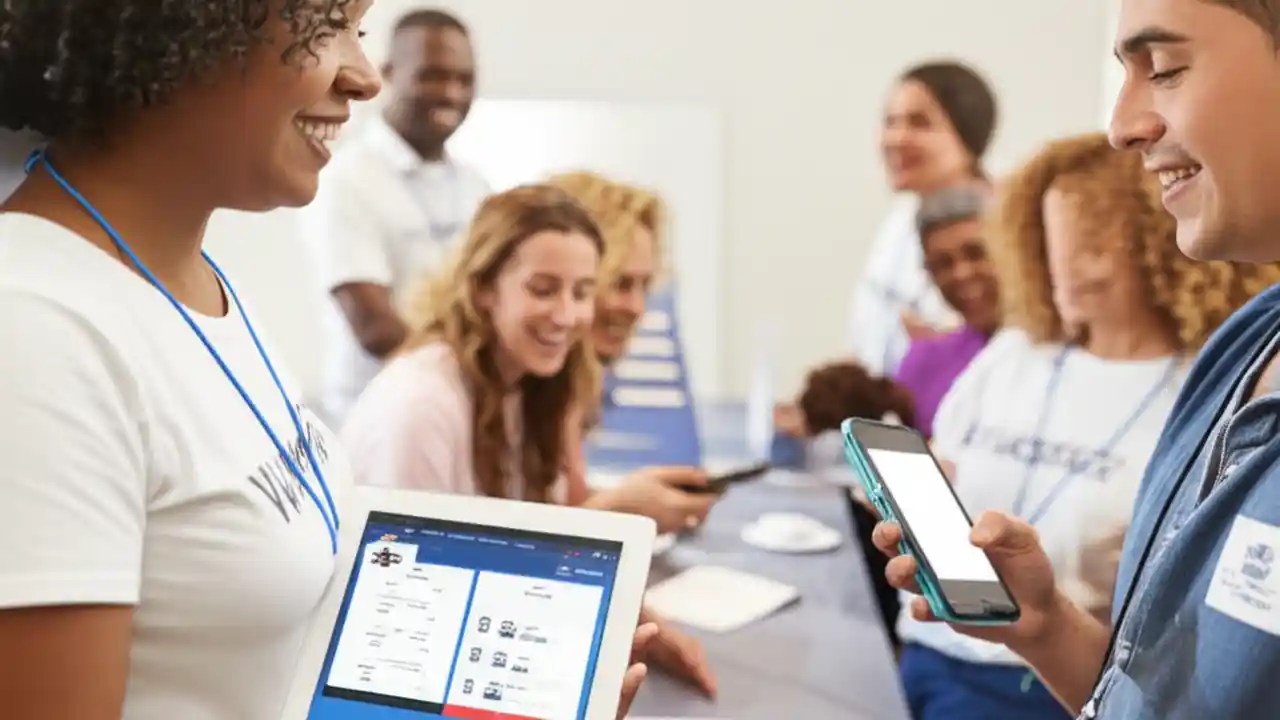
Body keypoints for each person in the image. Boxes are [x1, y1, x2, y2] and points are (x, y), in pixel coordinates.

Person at [0, 4, 650, 719]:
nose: (366, 77)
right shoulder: (34, 329)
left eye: (358, 32)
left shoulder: (204, 290)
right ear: (184, 25)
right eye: (327, 26)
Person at [874, 15, 1280, 708]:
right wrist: (1047, 626)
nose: (1122, 125)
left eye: (1166, 68)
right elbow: (1157, 697)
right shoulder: (1242, 351)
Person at [343, 183, 718, 698]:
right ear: (483, 289)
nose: (567, 316)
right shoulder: (419, 405)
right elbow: (413, 608)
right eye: (543, 289)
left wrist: (643, 625)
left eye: (582, 291)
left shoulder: (533, 384)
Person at [303, 7, 491, 426]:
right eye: (433, 76)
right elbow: (375, 329)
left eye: (464, 79)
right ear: (388, 73)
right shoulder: (347, 178)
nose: (451, 94)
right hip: (378, 422)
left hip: (461, 414)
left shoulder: (475, 186)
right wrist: (486, 378)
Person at [848, 60, 997, 378]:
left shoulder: (999, 226)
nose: (896, 138)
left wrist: (947, 349)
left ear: (967, 136)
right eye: (890, 121)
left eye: (920, 123)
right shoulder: (901, 220)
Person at [892, 183, 999, 439]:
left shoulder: (1061, 354)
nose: (961, 273)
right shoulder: (923, 364)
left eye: (976, 254)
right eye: (942, 264)